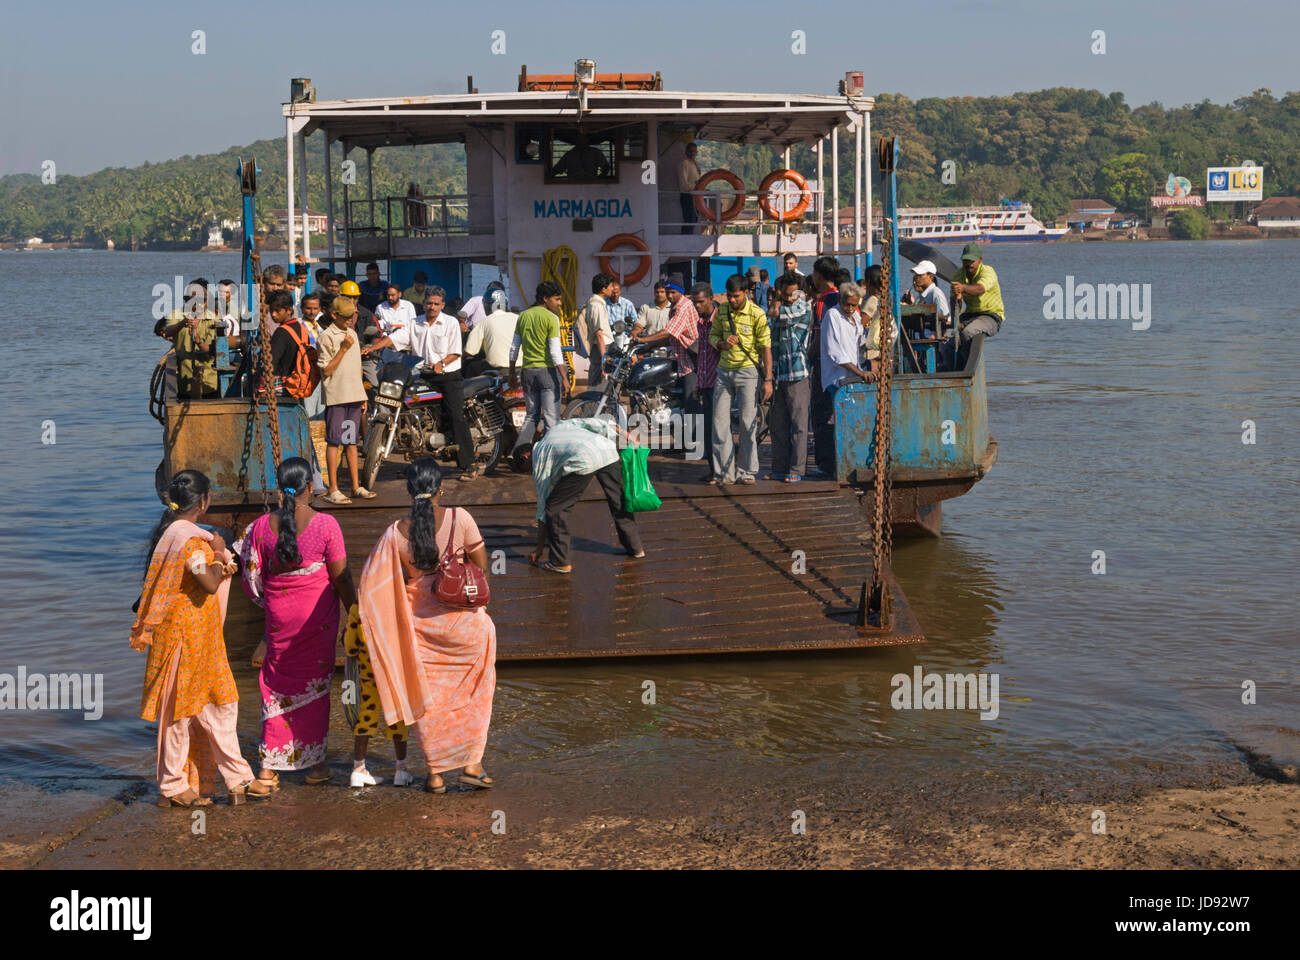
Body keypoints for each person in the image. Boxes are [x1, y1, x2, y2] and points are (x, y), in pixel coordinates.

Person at [130, 470, 273, 807]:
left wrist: (221, 560)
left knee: (222, 704)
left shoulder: (176, 533)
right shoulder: (190, 541)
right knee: (181, 713)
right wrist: (221, 551)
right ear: (204, 501)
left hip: (202, 638)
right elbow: (207, 583)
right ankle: (173, 785)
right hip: (182, 638)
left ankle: (238, 778)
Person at [358, 459, 497, 793]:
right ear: (441, 488)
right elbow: (482, 570)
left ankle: (435, 774)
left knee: (430, 699)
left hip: (420, 630)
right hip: (465, 630)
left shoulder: (395, 533)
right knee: (475, 694)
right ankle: (472, 764)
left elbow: (369, 585)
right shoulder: (460, 518)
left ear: (408, 490)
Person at [237, 457, 356, 786]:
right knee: (315, 688)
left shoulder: (260, 527)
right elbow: (341, 577)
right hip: (315, 619)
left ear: (280, 488)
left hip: (280, 617)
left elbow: (251, 578)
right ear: (309, 488)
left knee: (275, 684)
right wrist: (355, 610)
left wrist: (269, 602)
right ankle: (316, 767)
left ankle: (268, 768)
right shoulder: (326, 525)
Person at [366, 287, 481, 481]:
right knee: (409, 410)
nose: (432, 307)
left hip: (447, 375)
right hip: (423, 374)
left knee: (456, 416)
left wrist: (441, 363)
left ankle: (469, 464)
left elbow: (456, 351)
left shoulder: (451, 322)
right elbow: (394, 339)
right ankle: (416, 459)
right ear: (424, 304)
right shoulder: (414, 323)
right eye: (429, 303)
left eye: (436, 304)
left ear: (442, 305)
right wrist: (372, 347)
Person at [529, 418, 645, 573]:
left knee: (555, 508)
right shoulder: (560, 426)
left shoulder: (539, 454)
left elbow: (543, 506)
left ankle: (559, 561)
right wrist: (625, 434)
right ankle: (635, 548)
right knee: (618, 501)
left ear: (525, 457)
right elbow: (597, 422)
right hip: (606, 450)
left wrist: (538, 549)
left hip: (584, 458)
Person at [708, 274, 773, 486]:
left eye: (736, 296)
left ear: (747, 293)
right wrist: (722, 344)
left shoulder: (757, 314)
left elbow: (765, 348)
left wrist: (768, 380)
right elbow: (712, 336)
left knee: (747, 423)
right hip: (724, 373)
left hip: (748, 373)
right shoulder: (723, 310)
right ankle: (724, 474)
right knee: (719, 424)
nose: (732, 300)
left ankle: (746, 471)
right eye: (729, 296)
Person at [317, 296, 377, 501]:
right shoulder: (326, 337)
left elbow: (356, 368)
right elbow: (326, 369)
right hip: (337, 398)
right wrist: (342, 349)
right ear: (334, 315)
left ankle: (355, 486)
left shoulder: (351, 332)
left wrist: (362, 395)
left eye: (353, 316)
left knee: (351, 443)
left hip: (353, 396)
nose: (351, 321)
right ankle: (333, 488)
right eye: (347, 317)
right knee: (334, 442)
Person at [508, 282, 568, 461]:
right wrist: (564, 377)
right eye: (556, 299)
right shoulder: (551, 318)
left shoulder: (523, 316)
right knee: (551, 419)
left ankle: (519, 454)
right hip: (547, 373)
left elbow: (514, 347)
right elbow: (555, 352)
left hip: (527, 372)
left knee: (531, 416)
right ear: (545, 299)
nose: (559, 303)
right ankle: (550, 459)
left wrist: (511, 372)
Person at [768, 271, 814, 483]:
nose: (788, 299)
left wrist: (777, 302)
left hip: (798, 373)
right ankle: (779, 467)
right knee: (777, 425)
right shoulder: (784, 305)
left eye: (791, 295)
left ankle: (797, 468)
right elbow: (773, 340)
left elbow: (777, 313)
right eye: (785, 295)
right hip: (780, 374)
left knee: (798, 425)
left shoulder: (803, 306)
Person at [808, 256, 842, 478]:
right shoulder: (841, 296)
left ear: (819, 275)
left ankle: (825, 463)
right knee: (834, 412)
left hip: (823, 365)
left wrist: (809, 355)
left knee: (820, 414)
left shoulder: (823, 301)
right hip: (840, 365)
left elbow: (819, 336)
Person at [947, 242, 1004, 367]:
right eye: (966, 260)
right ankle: (950, 370)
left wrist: (963, 288)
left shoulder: (988, 272)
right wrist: (957, 302)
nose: (968, 264)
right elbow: (954, 303)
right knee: (947, 338)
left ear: (980, 260)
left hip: (990, 316)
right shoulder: (958, 275)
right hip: (970, 315)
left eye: (972, 260)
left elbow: (979, 289)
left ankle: (968, 369)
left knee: (968, 332)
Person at [686, 282, 720, 473]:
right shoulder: (700, 323)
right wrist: (699, 383)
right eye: (694, 303)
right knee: (707, 428)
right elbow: (704, 355)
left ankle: (721, 470)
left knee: (718, 430)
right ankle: (713, 470)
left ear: (710, 299)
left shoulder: (720, 321)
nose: (697, 306)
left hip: (719, 383)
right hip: (706, 382)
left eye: (700, 302)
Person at [172, 280, 221, 399]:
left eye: (202, 301)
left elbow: (210, 353)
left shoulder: (213, 319)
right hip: (185, 381)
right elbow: (167, 331)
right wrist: (182, 323)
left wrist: (197, 340)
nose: (199, 305)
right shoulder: (176, 315)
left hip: (209, 383)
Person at [269, 290, 318, 400]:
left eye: (277, 311)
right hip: (299, 383)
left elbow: (271, 363)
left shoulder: (281, 332)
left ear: (289, 310)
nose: (273, 314)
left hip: (283, 387)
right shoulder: (301, 327)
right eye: (271, 310)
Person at [463, 288, 518, 372]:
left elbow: (470, 351)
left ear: (487, 305)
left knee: (471, 366)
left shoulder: (483, 322)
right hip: (521, 367)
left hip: (495, 369)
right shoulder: (518, 318)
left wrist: (460, 357)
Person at [577, 273, 615, 388]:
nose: (613, 289)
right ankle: (592, 406)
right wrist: (604, 359)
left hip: (600, 348)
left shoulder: (593, 303)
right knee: (599, 385)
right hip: (602, 348)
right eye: (611, 286)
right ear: (603, 289)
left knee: (603, 384)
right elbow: (599, 334)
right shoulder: (596, 306)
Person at [906, 260, 951, 338]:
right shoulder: (921, 296)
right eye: (916, 275)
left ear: (930, 276)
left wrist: (936, 335)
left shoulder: (936, 293)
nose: (916, 278)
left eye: (920, 275)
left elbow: (947, 319)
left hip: (930, 337)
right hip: (920, 335)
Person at [677, 143, 701, 234]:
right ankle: (684, 240)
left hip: (695, 196)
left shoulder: (695, 165)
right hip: (687, 195)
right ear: (686, 152)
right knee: (689, 219)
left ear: (697, 152)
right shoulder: (684, 164)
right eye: (690, 151)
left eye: (694, 151)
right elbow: (683, 183)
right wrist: (695, 190)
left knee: (694, 219)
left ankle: (688, 239)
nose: (692, 153)